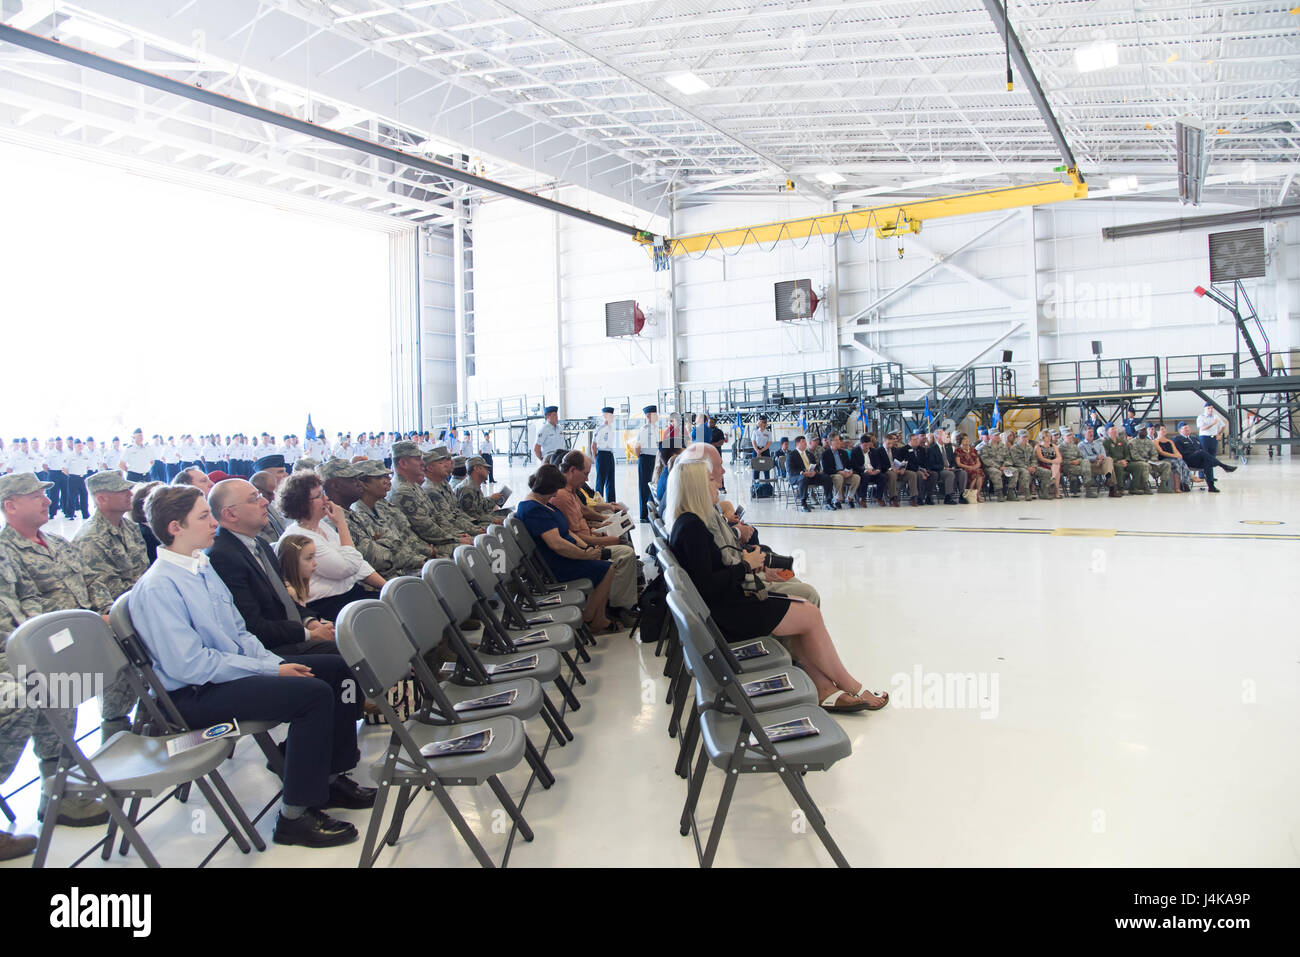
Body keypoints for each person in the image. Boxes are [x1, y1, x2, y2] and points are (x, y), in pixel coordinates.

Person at [129, 484, 372, 848]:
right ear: (175, 528)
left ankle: (329, 776)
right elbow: (191, 665)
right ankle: (294, 816)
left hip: (226, 674)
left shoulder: (201, 566)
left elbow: (239, 633)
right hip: (194, 694)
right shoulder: (159, 586)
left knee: (335, 672)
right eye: (202, 516)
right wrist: (271, 670)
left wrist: (273, 662)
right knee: (313, 695)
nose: (213, 523)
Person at [665, 460, 885, 713]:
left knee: (804, 614)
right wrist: (746, 566)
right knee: (809, 614)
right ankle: (850, 685)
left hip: (725, 605)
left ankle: (826, 688)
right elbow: (708, 585)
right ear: (697, 488)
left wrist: (752, 567)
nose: (717, 484)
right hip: (727, 614)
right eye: (710, 481)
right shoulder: (692, 526)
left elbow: (711, 574)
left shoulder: (689, 522)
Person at [0, 473, 115, 828]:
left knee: (126, 648)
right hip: (30, 653)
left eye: (45, 495)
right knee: (44, 687)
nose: (47, 501)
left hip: (75, 641)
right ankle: (58, 789)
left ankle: (64, 784)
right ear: (10, 506)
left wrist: (105, 615)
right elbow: (11, 622)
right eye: (36, 496)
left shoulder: (57, 543)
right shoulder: (5, 553)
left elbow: (90, 582)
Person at [207, 478, 339, 654]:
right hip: (268, 649)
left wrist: (311, 621)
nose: (265, 502)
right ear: (230, 514)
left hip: (288, 633)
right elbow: (252, 625)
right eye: (254, 499)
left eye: (260, 496)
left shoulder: (259, 544)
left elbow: (283, 598)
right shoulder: (222, 556)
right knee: (342, 653)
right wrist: (309, 634)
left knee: (347, 637)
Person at [516, 464, 617, 631]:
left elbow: (567, 532)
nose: (556, 493)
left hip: (566, 555)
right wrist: (585, 555)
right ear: (548, 487)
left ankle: (599, 618)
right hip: (556, 564)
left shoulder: (544, 503)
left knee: (602, 560)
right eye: (555, 489)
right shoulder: (533, 509)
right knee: (608, 569)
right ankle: (588, 617)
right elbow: (556, 543)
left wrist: (587, 549)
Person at [276, 468, 385, 622]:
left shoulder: (321, 526)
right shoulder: (299, 537)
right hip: (330, 605)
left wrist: (387, 587)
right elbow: (347, 567)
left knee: (398, 602)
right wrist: (341, 523)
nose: (326, 499)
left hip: (352, 594)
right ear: (303, 504)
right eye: (319, 496)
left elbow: (359, 565)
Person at [554, 453, 639, 627]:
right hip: (584, 545)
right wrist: (601, 539)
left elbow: (583, 512)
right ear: (572, 471)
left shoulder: (570, 491)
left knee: (622, 536)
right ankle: (619, 607)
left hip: (589, 536)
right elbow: (574, 536)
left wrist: (602, 523)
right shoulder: (562, 496)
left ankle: (618, 601)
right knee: (625, 552)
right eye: (585, 474)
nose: (586, 479)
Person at [346, 460, 435, 578]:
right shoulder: (359, 513)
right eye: (380, 477)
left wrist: (427, 553)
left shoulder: (380, 507)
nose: (388, 480)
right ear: (364, 484)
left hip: (410, 564)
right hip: (390, 575)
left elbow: (403, 538)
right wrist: (422, 558)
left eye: (387, 476)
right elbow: (383, 555)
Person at [387, 441, 469, 554]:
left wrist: (456, 534)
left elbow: (437, 516)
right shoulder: (401, 491)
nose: (422, 463)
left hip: (432, 542)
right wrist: (457, 539)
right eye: (417, 459)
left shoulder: (414, 485)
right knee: (469, 548)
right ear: (403, 463)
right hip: (421, 548)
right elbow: (426, 529)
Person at [1174, 421, 1236, 493]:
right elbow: (1181, 453)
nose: (1187, 430)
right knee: (1202, 453)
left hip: (1199, 458)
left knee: (1207, 463)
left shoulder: (1194, 438)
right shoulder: (1177, 439)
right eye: (1185, 429)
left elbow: (1202, 448)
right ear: (1180, 430)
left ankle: (1211, 486)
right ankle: (1223, 466)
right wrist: (1196, 453)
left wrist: (1199, 453)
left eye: (1188, 428)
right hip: (1188, 460)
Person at [457, 455, 508, 524]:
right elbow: (472, 517)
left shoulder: (474, 485)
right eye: (486, 468)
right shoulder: (468, 488)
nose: (488, 471)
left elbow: (480, 506)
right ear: (477, 468)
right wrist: (494, 520)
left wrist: (492, 499)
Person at [787, 435, 833, 511]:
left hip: (811, 475)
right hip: (798, 476)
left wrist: (814, 472)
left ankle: (829, 502)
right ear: (798, 443)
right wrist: (802, 472)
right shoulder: (791, 455)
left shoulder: (809, 454)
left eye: (805, 441)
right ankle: (803, 504)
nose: (805, 443)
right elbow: (790, 470)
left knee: (826, 477)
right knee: (803, 479)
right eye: (803, 442)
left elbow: (817, 466)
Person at [818, 432, 860, 508]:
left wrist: (850, 471)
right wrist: (839, 472)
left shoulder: (843, 453)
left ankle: (849, 498)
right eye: (836, 440)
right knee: (839, 477)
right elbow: (826, 469)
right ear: (831, 442)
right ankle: (836, 499)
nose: (839, 442)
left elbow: (848, 465)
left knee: (856, 477)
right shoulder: (825, 454)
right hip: (834, 474)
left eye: (839, 440)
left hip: (844, 473)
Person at [926, 428, 968, 504]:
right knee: (949, 474)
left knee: (963, 473)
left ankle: (962, 495)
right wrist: (944, 468)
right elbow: (931, 464)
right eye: (943, 435)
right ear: (937, 437)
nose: (945, 436)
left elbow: (953, 461)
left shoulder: (948, 448)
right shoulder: (931, 449)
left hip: (950, 469)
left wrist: (953, 467)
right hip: (940, 470)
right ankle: (948, 496)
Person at [633, 405, 660, 523]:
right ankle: (644, 515)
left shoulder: (655, 428)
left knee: (652, 486)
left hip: (654, 459)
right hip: (645, 459)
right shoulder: (644, 429)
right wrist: (641, 457)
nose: (657, 416)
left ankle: (651, 512)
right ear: (649, 416)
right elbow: (637, 446)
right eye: (655, 414)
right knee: (644, 487)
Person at [1105, 425, 1149, 495]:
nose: (1114, 431)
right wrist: (1117, 461)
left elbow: (1127, 453)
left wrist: (1126, 460)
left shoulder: (1122, 441)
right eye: (1112, 430)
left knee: (1139, 465)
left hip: (1124, 462)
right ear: (1108, 432)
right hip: (1114, 463)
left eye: (1115, 430)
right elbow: (1106, 456)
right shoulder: (1106, 442)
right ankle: (1120, 488)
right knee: (1118, 467)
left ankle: (1134, 488)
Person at [1078, 426, 1118, 497]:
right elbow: (1084, 457)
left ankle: (1108, 478)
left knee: (1108, 459)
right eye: (1089, 432)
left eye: (1092, 432)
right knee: (1110, 467)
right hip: (1090, 465)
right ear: (1084, 434)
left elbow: (1104, 455)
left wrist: (1101, 459)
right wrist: (1096, 457)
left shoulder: (1098, 443)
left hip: (1101, 464)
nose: (1092, 434)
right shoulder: (1081, 445)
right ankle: (1112, 487)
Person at [1132, 423, 1172, 492]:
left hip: (1152, 462)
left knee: (1167, 464)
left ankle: (1162, 485)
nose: (1145, 432)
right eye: (1142, 430)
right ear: (1138, 432)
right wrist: (1145, 460)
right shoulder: (1133, 442)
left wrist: (1153, 460)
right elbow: (1134, 456)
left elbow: (1154, 453)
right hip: (1140, 462)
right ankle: (1144, 486)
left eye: (1145, 430)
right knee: (1145, 465)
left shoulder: (1149, 441)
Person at [591, 406, 619, 503]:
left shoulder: (611, 428)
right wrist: (596, 458)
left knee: (611, 481)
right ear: (605, 416)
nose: (612, 418)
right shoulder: (600, 428)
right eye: (611, 416)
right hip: (601, 455)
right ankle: (598, 504)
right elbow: (593, 445)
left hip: (610, 454)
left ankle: (612, 503)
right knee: (600, 481)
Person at [1156, 425, 1191, 492]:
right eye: (1162, 429)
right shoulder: (1156, 441)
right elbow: (1162, 452)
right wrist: (1174, 456)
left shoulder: (1169, 441)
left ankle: (1184, 483)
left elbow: (1175, 451)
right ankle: (1178, 486)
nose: (1164, 431)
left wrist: (1179, 455)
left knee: (1181, 461)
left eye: (1164, 429)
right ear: (1157, 431)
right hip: (1163, 459)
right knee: (1176, 463)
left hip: (1172, 458)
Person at [954, 432, 985, 502]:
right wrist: (969, 467)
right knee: (974, 473)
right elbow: (958, 463)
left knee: (979, 472)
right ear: (960, 441)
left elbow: (978, 462)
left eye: (967, 438)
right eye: (964, 439)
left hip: (975, 468)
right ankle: (970, 494)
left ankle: (977, 494)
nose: (967, 440)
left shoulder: (973, 449)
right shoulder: (958, 450)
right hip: (964, 469)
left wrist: (975, 466)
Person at [1004, 430, 1035, 501]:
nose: (1025, 439)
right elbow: (1016, 461)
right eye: (1023, 437)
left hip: (1030, 467)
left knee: (1046, 472)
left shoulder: (1029, 447)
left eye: (1026, 437)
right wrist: (1027, 467)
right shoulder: (1014, 448)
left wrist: (1033, 466)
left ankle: (1046, 491)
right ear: (1019, 438)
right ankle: (1027, 493)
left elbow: (1034, 458)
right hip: (1019, 467)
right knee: (1025, 472)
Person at [1033, 430, 1062, 499]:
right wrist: (1051, 461)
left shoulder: (1054, 446)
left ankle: (1053, 478)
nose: (1049, 437)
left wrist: (1057, 460)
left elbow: (1059, 457)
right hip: (1044, 464)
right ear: (1042, 437)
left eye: (1049, 436)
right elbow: (1041, 458)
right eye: (1047, 436)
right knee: (1056, 468)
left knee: (1057, 465)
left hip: (1054, 464)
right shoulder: (1038, 447)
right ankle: (1057, 492)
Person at [750, 415, 773, 481]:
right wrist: (758, 451)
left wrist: (761, 451)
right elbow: (753, 442)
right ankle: (755, 486)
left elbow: (769, 443)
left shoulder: (768, 433)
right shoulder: (755, 432)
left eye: (763, 422)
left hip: (765, 450)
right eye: (760, 422)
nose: (761, 423)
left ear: (765, 423)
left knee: (766, 468)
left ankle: (767, 484)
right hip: (756, 450)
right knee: (756, 469)